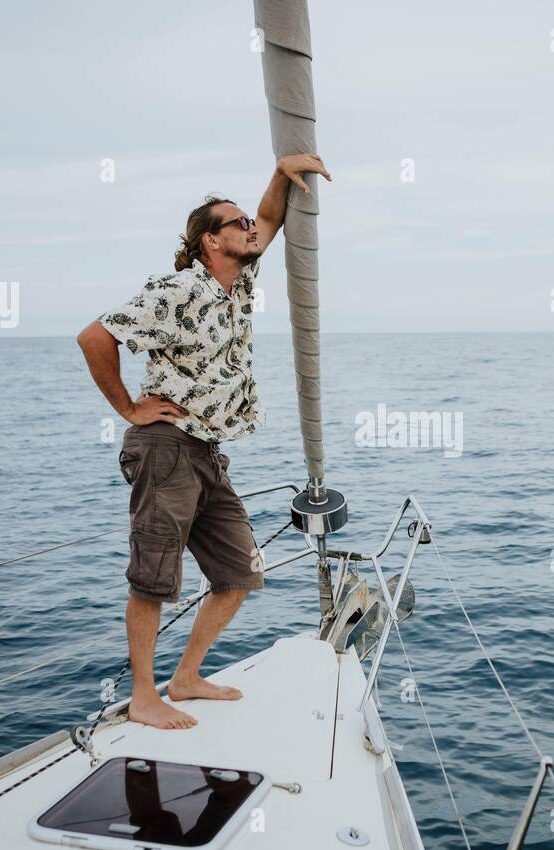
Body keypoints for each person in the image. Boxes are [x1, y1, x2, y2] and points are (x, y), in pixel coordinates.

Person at [76, 153, 332, 729]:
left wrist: (282, 170)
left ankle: (185, 677)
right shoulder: (177, 290)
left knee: (240, 571)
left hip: (208, 451)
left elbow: (270, 217)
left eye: (247, 223)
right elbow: (94, 336)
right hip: (166, 447)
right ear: (209, 242)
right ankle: (145, 696)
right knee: (154, 578)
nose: (251, 229)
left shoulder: (237, 282)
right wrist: (128, 408)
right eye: (236, 224)